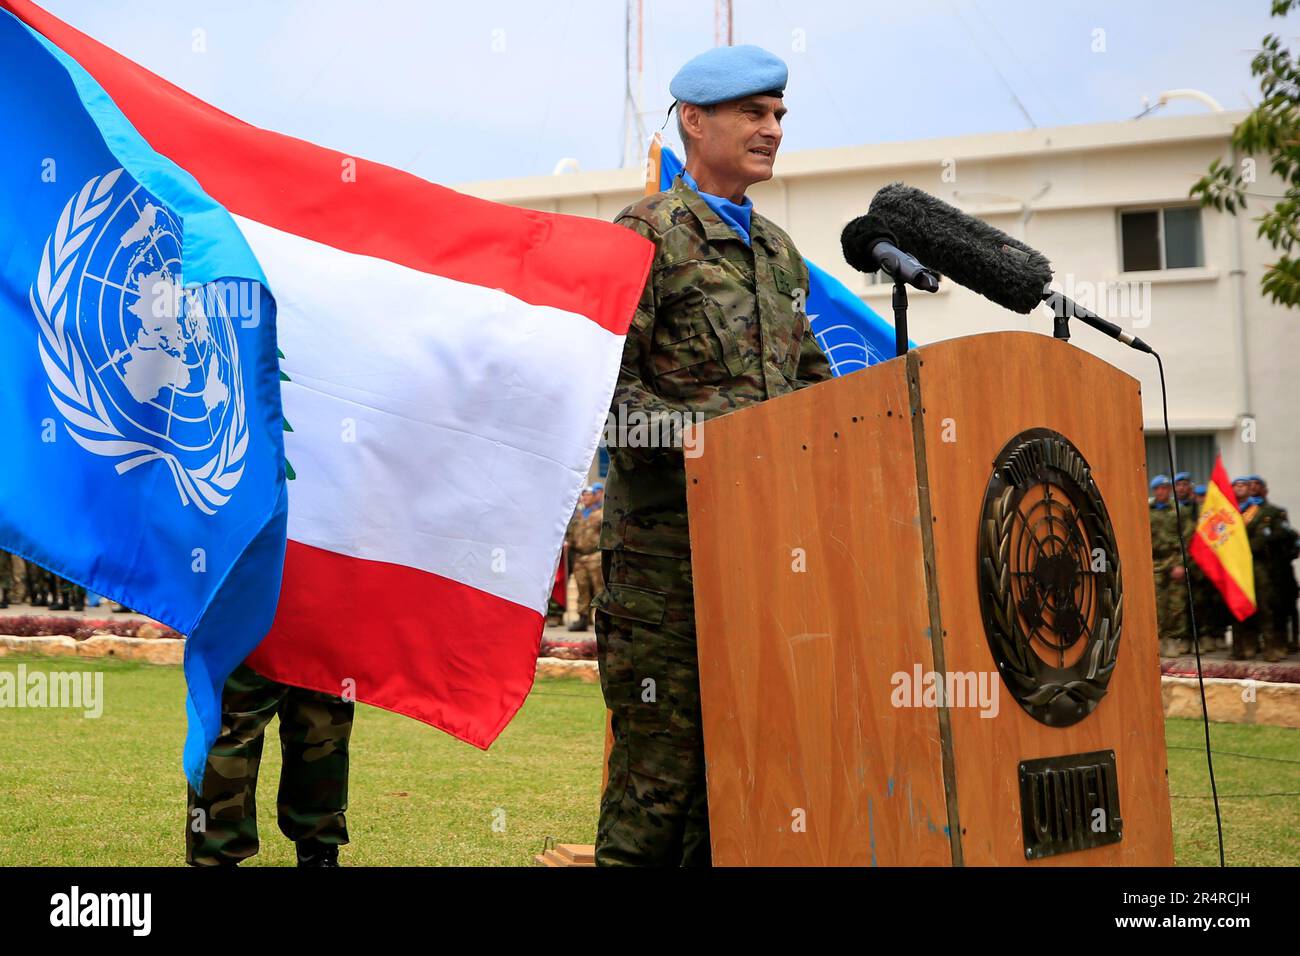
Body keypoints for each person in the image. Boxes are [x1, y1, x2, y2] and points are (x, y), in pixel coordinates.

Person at [595, 44, 832, 866]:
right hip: (667, 573)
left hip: (764, 560)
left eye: (777, 116)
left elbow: (816, 393)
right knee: (658, 788)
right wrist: (711, 443)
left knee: (739, 789)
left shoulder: (778, 255)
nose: (772, 130)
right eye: (753, 114)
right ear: (694, 122)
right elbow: (605, 404)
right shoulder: (645, 235)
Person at [186, 663, 354, 866]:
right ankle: (215, 857)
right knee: (231, 725)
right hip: (245, 635)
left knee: (324, 727)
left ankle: (319, 852)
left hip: (322, 635)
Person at [1149, 475, 1195, 656]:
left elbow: (1188, 538)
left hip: (1173, 558)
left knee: (1176, 603)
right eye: (1158, 488)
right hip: (1154, 562)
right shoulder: (1147, 510)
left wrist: (1181, 564)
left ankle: (1174, 640)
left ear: (1169, 490)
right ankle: (1159, 640)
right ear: (1154, 491)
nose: (1162, 491)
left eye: (1165, 488)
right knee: (1157, 603)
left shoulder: (1179, 511)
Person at [565, 486, 604, 631]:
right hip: (579, 557)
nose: (585, 498)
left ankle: (601, 619)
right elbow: (572, 533)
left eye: (588, 495)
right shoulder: (579, 514)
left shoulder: (601, 513)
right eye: (584, 495)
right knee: (582, 589)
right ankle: (582, 618)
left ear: (595, 496)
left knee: (599, 588)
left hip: (595, 556)